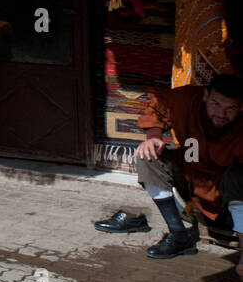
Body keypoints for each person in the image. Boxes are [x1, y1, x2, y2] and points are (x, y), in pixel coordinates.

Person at [95, 73, 243, 269]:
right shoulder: (188, 99)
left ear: (241, 106)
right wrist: (154, 136)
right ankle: (179, 234)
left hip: (227, 197)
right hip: (192, 176)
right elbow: (158, 106)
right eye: (216, 104)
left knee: (237, 177)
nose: (222, 114)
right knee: (149, 156)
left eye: (230, 108)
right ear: (206, 96)